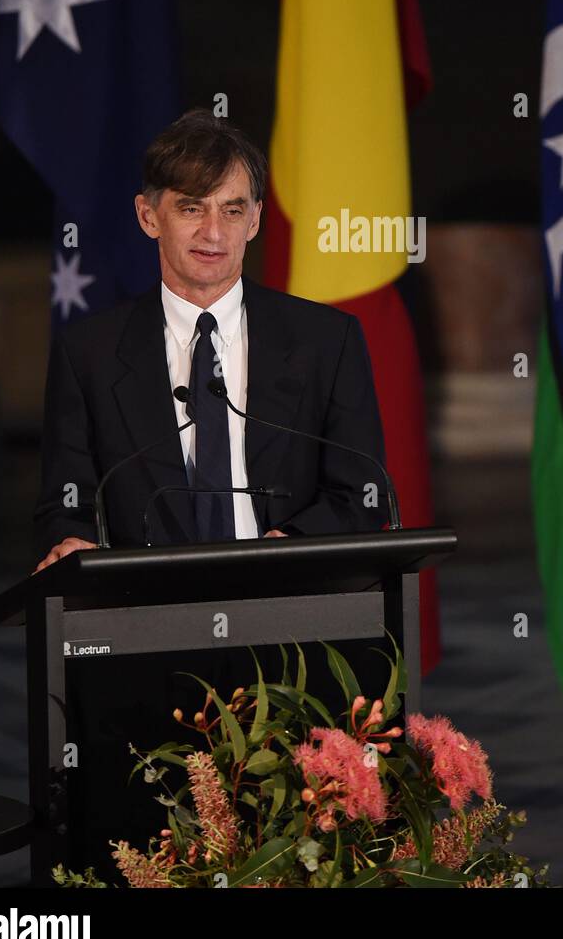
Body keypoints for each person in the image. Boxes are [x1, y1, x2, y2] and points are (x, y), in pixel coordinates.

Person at [30, 108, 389, 877]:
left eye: (233, 209)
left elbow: (362, 492)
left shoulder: (327, 341)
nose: (212, 231)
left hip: (294, 633)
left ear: (257, 219)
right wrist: (69, 536)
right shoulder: (91, 352)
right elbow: (64, 492)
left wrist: (290, 549)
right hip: (144, 642)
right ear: (147, 213)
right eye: (190, 207)